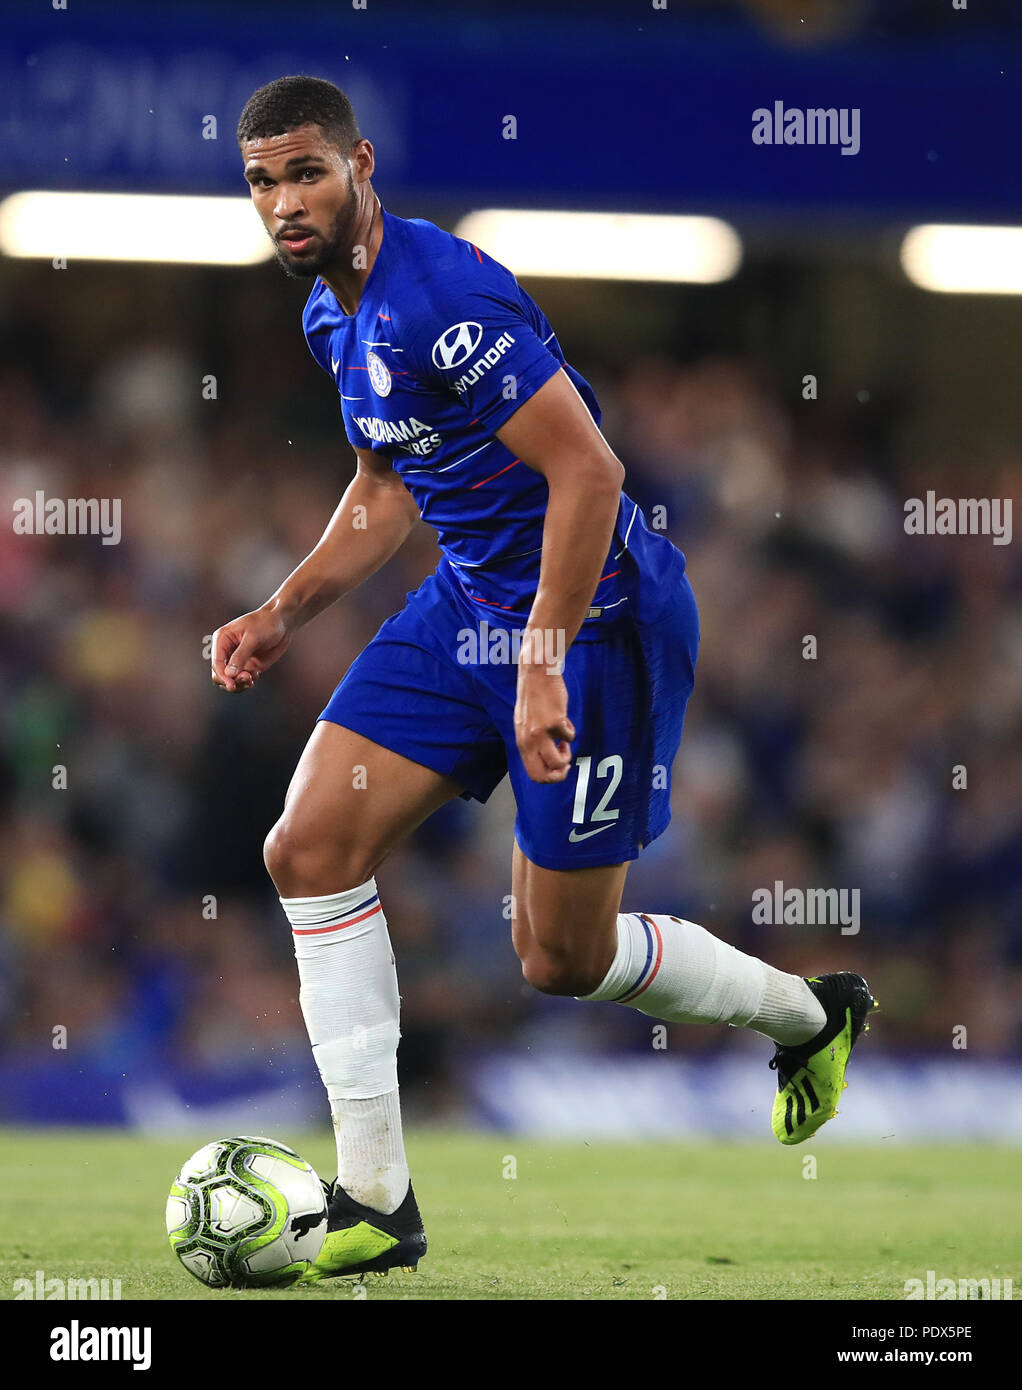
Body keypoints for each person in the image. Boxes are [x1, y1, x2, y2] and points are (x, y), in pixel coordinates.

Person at [213, 75, 875, 1283]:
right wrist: (283, 606)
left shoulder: (440, 297)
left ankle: (809, 1013)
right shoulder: (330, 311)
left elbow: (590, 475)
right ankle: (374, 1200)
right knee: (306, 847)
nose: (284, 201)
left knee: (557, 960)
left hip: (598, 623)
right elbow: (384, 482)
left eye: (305, 171)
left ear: (359, 164)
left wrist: (540, 663)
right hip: (467, 603)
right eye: (262, 180)